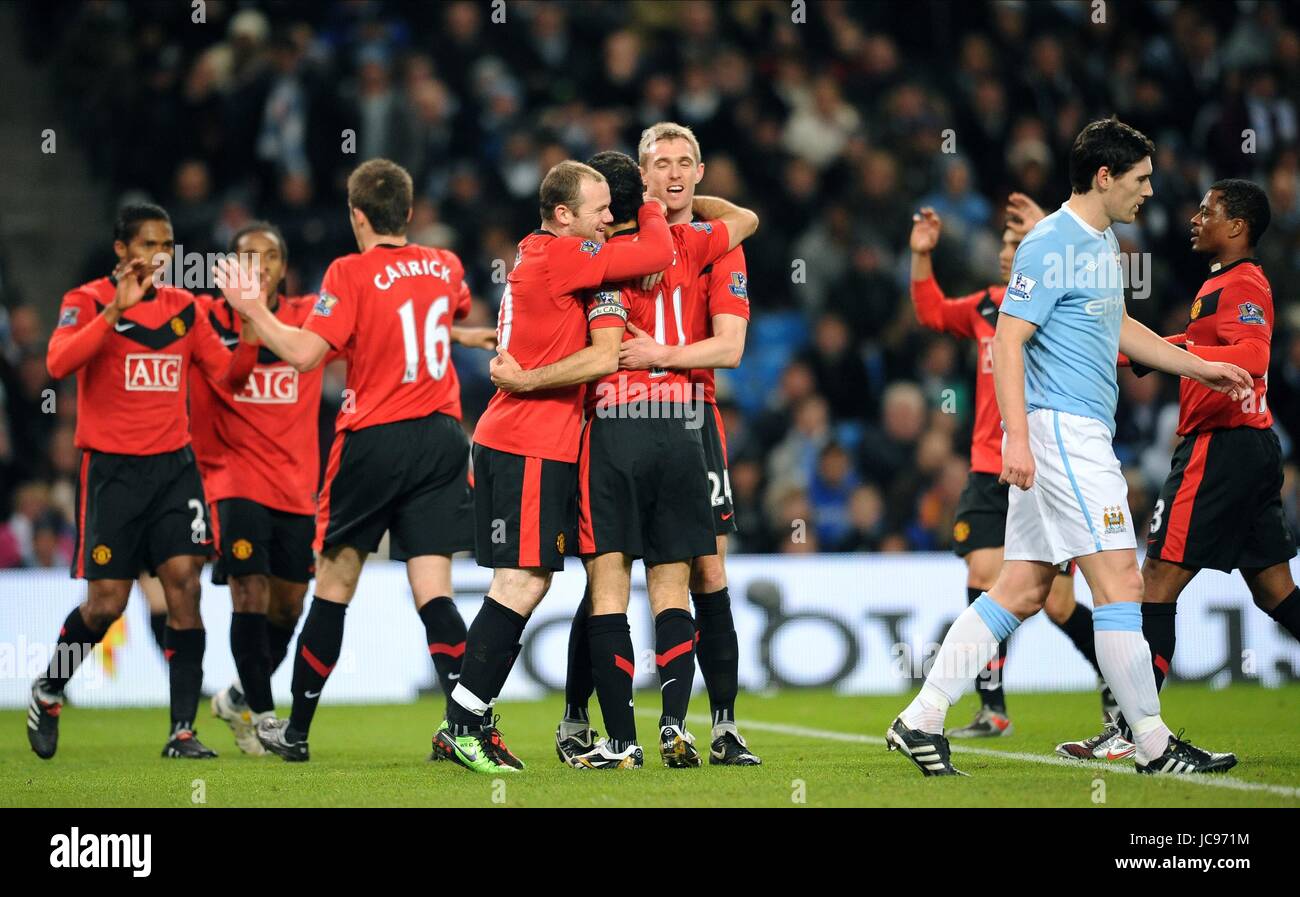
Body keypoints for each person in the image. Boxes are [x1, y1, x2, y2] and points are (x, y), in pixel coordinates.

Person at [886, 119, 1252, 777]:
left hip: (1070, 435)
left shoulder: (1103, 243)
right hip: (1064, 436)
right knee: (1120, 581)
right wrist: (1017, 440)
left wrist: (1200, 365)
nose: (1149, 192)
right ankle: (1153, 742)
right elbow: (1007, 339)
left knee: (1021, 588)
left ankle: (921, 716)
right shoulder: (1051, 242)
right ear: (1105, 176)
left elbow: (1121, 326)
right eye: (1140, 179)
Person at [221, 159, 495, 762]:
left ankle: (296, 733)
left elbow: (301, 354)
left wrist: (252, 309)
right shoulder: (445, 265)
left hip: (374, 438)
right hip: (444, 436)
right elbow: (425, 319)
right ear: (410, 210)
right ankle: (463, 730)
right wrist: (465, 336)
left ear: (357, 215)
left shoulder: (347, 271)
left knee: (336, 584)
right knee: (435, 592)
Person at [431, 160, 674, 773]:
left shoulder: (541, 254)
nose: (608, 218)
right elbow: (657, 252)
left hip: (524, 440)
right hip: (529, 441)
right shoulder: (563, 256)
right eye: (598, 209)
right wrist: (649, 199)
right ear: (563, 214)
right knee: (522, 582)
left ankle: (466, 718)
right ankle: (464, 722)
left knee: (521, 581)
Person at [1058, 178, 1300, 758]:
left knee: (1155, 583)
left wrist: (1184, 353)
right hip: (1248, 447)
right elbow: (1203, 342)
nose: (1195, 218)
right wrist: (1138, 352)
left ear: (1237, 226)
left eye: (1208, 210)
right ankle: (1133, 728)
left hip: (1219, 448)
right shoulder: (1220, 282)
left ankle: (1130, 732)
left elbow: (1253, 356)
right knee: (1275, 593)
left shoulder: (1244, 284)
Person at [557, 122, 762, 766]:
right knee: (607, 583)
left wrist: (659, 355)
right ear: (640, 177)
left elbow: (730, 348)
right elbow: (748, 218)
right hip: (629, 421)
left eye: (684, 163)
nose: (673, 173)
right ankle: (578, 717)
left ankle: (719, 727)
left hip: (692, 418)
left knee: (705, 569)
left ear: (699, 173)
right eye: (660, 164)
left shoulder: (708, 246)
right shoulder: (622, 243)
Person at [28, 203, 258, 760]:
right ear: (121, 250)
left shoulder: (184, 309)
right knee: (106, 605)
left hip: (173, 471)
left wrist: (249, 326)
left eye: (167, 245)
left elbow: (229, 378)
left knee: (185, 584)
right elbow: (58, 363)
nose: (159, 256)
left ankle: (182, 730)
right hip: (112, 472)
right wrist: (112, 313)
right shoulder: (83, 302)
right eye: (148, 244)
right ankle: (49, 687)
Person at [908, 200, 1122, 742]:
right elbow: (931, 312)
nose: (1007, 253)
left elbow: (1111, 345)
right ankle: (992, 707)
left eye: (1017, 243)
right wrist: (920, 257)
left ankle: (1115, 682)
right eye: (1003, 245)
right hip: (990, 468)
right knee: (982, 578)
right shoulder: (985, 308)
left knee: (1055, 603)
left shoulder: (1057, 300)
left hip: (1047, 461)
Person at [187, 222, 325, 755]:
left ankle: (240, 694)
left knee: (289, 607)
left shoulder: (308, 318)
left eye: (270, 256)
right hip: (233, 478)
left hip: (295, 486)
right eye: (248, 256)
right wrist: (247, 322)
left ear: (283, 268)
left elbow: (372, 330)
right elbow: (232, 380)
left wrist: (453, 335)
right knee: (250, 592)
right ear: (229, 269)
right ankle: (266, 719)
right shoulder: (204, 318)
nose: (260, 265)